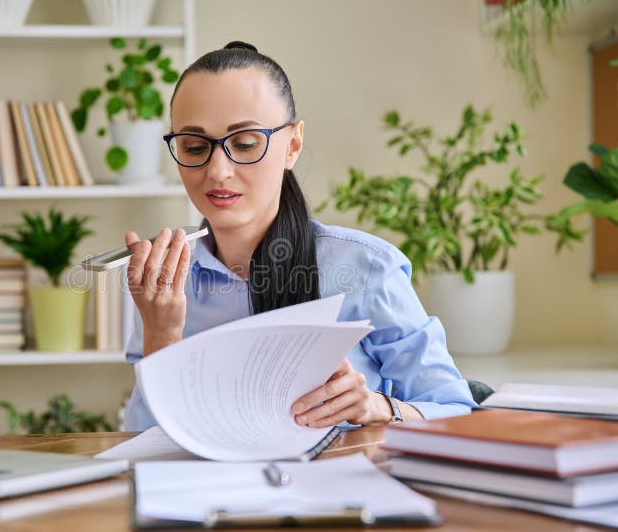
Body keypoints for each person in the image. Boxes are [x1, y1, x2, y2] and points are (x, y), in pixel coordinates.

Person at [122, 41, 476, 432]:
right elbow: (145, 438)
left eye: (244, 143)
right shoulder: (166, 285)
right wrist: (161, 335)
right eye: (193, 146)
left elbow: (456, 409)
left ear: (292, 144)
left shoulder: (365, 268)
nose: (218, 170)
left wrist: (376, 407)